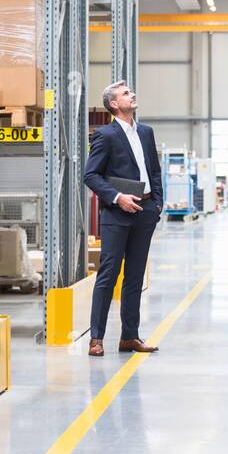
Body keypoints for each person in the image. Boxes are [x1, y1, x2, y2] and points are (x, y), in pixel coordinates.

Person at [83, 79, 163, 357]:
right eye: (126, 93)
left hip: (145, 211)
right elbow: (90, 175)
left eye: (130, 91)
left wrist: (158, 205)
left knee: (135, 277)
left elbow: (154, 170)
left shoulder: (146, 132)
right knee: (108, 274)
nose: (132, 95)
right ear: (114, 104)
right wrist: (118, 198)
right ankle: (96, 338)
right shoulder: (105, 135)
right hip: (118, 214)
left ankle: (130, 337)